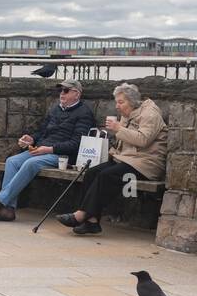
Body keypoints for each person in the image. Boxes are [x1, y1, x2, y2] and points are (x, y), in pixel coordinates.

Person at [56, 82, 167, 235]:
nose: (117, 106)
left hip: (146, 163)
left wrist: (118, 129)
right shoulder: (127, 114)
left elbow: (143, 140)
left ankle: (81, 214)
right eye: (116, 102)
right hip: (128, 159)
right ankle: (92, 222)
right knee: (91, 172)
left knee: (106, 175)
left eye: (121, 102)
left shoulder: (150, 114)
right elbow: (122, 142)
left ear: (132, 101)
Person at [0, 80, 94, 221]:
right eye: (61, 91)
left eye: (66, 91)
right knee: (12, 161)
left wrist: (49, 149)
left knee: (31, 163)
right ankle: (8, 209)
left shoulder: (84, 113)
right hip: (41, 149)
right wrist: (31, 139)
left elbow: (77, 144)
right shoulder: (55, 109)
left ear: (76, 94)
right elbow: (42, 132)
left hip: (61, 155)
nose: (61, 94)